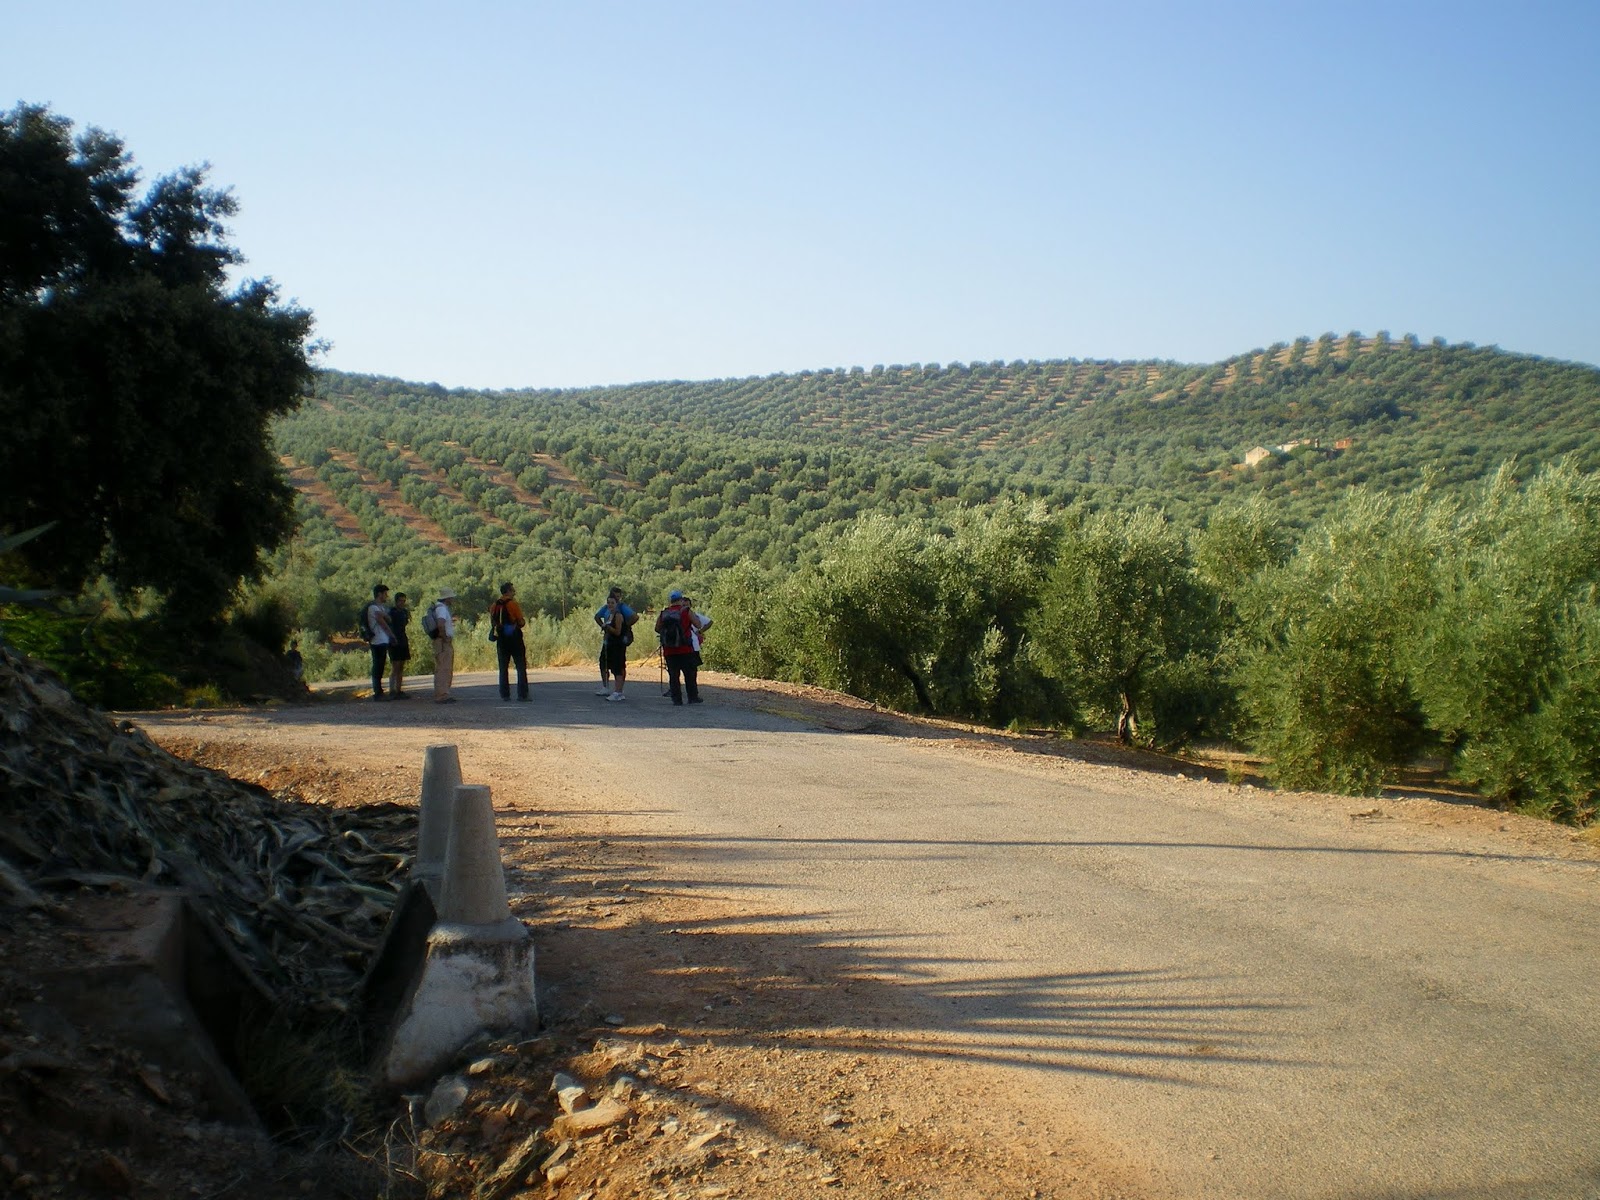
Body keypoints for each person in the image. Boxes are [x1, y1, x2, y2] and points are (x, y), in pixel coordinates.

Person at [656, 589, 706, 706]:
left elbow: (657, 628)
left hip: (669, 649)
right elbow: (698, 625)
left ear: (671, 600)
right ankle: (692, 697)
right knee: (689, 674)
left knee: (674, 675)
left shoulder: (664, 613)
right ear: (681, 599)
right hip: (685, 648)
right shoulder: (686, 611)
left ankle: (677, 699)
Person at [491, 581, 529, 701]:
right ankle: (522, 695)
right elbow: (521, 621)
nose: (514, 592)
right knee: (520, 666)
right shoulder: (513, 605)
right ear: (507, 591)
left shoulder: (494, 606)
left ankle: (505, 695)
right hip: (514, 638)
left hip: (501, 639)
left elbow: (493, 622)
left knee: (503, 668)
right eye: (512, 590)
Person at [594, 586, 635, 696]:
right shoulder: (607, 608)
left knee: (618, 664)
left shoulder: (621, 610)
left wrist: (625, 626)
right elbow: (597, 616)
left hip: (618, 640)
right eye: (613, 597)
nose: (615, 600)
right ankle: (606, 686)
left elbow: (634, 617)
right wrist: (603, 626)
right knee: (604, 662)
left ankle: (619, 690)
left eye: (617, 597)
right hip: (609, 639)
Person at [365, 584, 395, 701]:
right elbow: (383, 622)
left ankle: (379, 692)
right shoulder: (374, 608)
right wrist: (392, 636)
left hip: (382, 640)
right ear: (379, 594)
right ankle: (377, 693)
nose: (386, 596)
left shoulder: (380, 607)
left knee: (381, 666)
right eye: (385, 593)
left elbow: (386, 618)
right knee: (378, 666)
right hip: (377, 641)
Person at [600, 591, 630, 701]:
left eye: (612, 603)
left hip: (618, 645)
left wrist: (607, 628)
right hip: (611, 644)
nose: (609, 605)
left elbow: (617, 631)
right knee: (612, 667)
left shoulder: (618, 615)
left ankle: (618, 692)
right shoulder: (610, 615)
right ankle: (616, 690)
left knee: (618, 667)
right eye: (608, 603)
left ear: (616, 604)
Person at [429, 589, 457, 703]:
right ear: (447, 598)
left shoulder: (438, 608)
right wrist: (445, 638)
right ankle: (442, 695)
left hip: (439, 641)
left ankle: (442, 693)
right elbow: (441, 624)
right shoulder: (442, 609)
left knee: (442, 667)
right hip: (443, 642)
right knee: (444, 668)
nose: (452, 599)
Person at [387, 592, 413, 699]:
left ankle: (399, 689)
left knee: (401, 666)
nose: (402, 603)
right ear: (396, 601)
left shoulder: (404, 612)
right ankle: (392, 690)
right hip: (394, 640)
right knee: (395, 666)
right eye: (400, 601)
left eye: (404, 601)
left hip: (403, 640)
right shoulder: (391, 612)